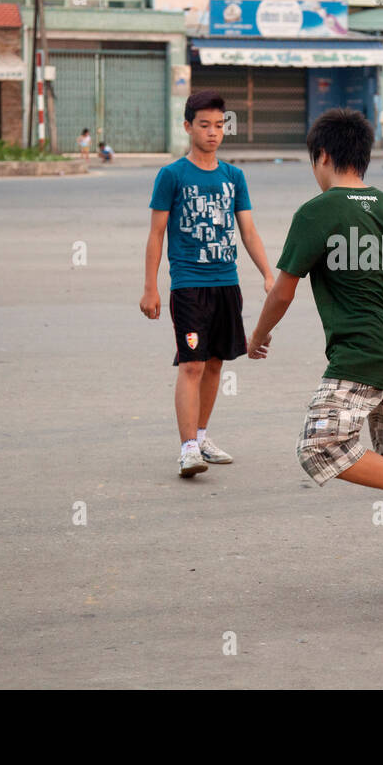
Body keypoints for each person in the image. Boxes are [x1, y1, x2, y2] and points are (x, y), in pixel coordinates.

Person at [247, 108, 383, 608]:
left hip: (361, 355)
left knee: (319, 446)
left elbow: (283, 291)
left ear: (323, 157)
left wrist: (258, 334)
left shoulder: (318, 211)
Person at [140, 90, 276, 478]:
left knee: (216, 364)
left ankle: (200, 437)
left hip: (226, 283)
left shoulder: (234, 176)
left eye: (219, 125)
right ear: (188, 127)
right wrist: (150, 287)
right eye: (205, 125)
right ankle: (186, 449)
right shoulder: (172, 175)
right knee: (192, 364)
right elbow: (156, 234)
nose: (213, 132)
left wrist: (268, 273)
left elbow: (247, 230)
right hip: (188, 284)